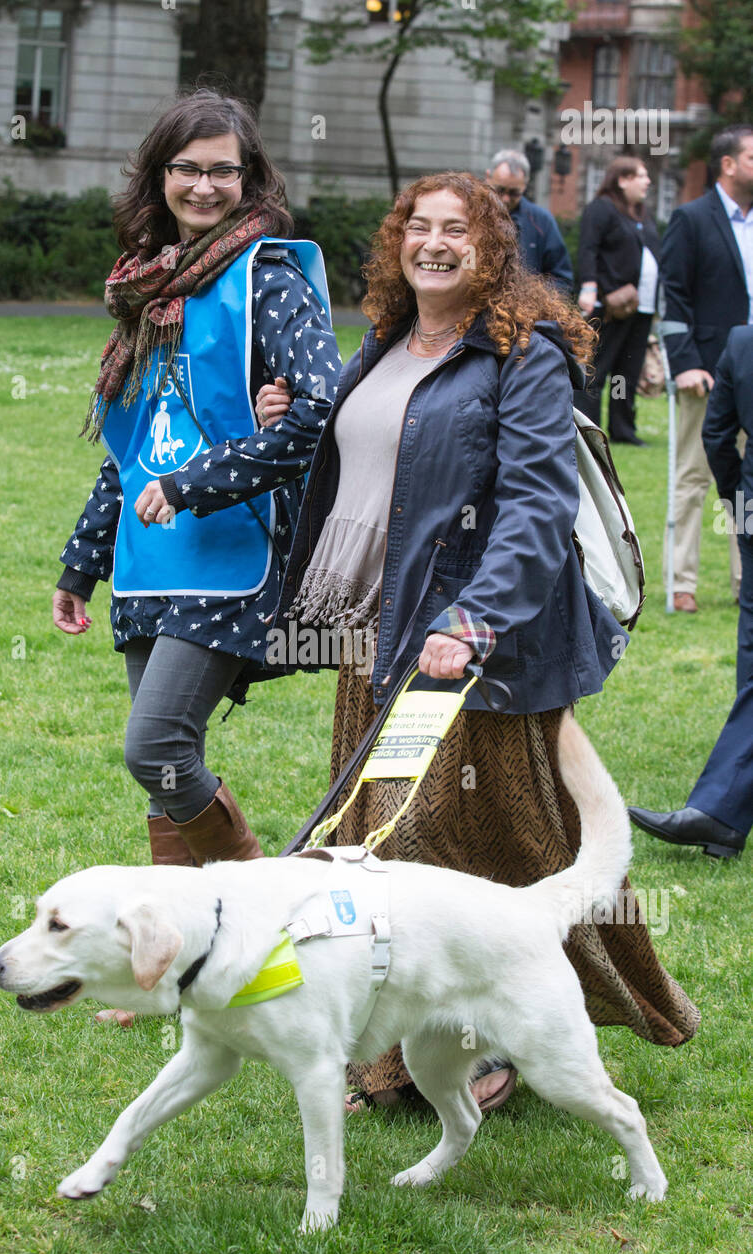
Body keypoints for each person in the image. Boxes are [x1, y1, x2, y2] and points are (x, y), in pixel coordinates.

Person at [259, 172, 699, 1113]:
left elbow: (539, 504)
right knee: (411, 838)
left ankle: (485, 1038)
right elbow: (373, 462)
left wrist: (473, 621)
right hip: (378, 627)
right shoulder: (384, 341)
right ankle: (412, 1046)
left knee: (438, 836)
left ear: (493, 247)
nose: (433, 242)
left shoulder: (523, 351)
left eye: (457, 229)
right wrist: (292, 425)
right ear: (396, 244)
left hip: (464, 642)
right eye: (417, 227)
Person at [53, 90, 340, 1025]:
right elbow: (131, 449)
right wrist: (81, 561)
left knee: (156, 746)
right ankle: (165, 968)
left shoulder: (270, 277)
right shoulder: (148, 282)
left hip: (232, 555)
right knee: (163, 765)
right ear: (160, 177)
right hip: (146, 562)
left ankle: (263, 916)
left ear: (249, 178)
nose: (205, 185)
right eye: (189, 168)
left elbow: (316, 411)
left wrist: (198, 483)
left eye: (224, 169)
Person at [629, 324, 753, 857]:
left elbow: (718, 438)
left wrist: (737, 499)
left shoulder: (742, 342)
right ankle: (726, 810)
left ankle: (724, 812)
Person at [659, 125, 753, 613]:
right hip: (709, 372)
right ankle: (682, 582)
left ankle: (747, 582)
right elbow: (671, 297)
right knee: (695, 476)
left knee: (751, 479)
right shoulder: (691, 220)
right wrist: (686, 364)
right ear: (728, 165)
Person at [575, 156, 661, 448]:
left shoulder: (639, 214)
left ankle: (623, 428)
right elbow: (588, 249)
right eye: (641, 176)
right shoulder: (601, 209)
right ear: (622, 180)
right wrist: (589, 287)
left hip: (641, 308)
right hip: (610, 307)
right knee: (597, 369)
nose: (647, 181)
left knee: (627, 372)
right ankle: (590, 428)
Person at [485, 149, 574, 294]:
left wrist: (535, 299)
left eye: (514, 193)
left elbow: (562, 280)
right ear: (488, 177)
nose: (505, 199)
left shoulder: (542, 221)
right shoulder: (470, 214)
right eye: (500, 190)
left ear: (525, 185)